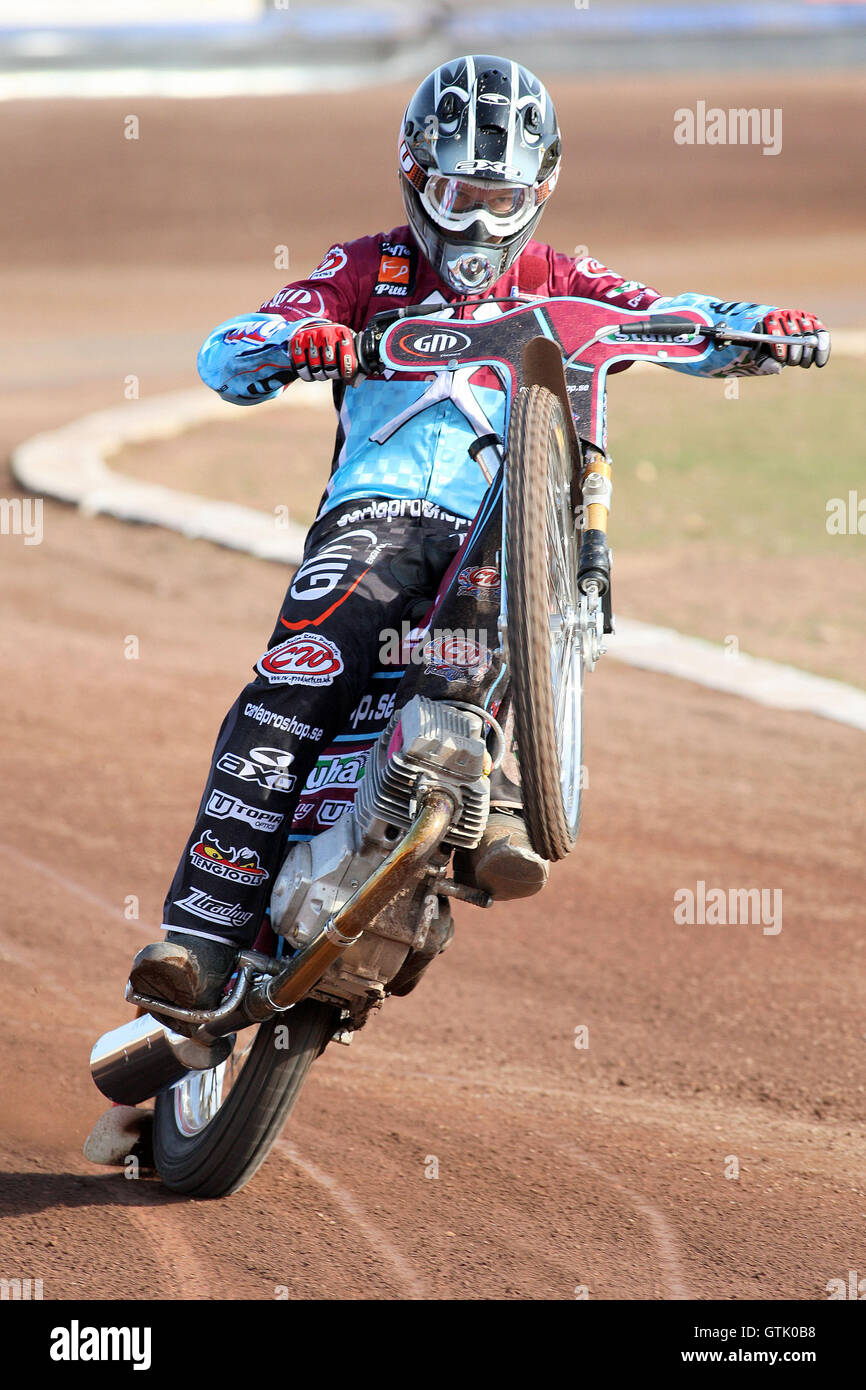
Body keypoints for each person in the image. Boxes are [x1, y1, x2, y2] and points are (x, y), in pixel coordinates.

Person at [129, 54, 829, 1017]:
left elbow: (674, 320)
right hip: (373, 523)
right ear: (416, 178)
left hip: (501, 530)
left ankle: (486, 785)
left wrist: (763, 327)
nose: (479, 225)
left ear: (540, 191)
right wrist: (297, 341)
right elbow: (226, 352)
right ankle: (200, 942)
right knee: (296, 683)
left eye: (502, 199)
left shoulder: (563, 279)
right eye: (459, 193)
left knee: (499, 602)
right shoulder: (367, 269)